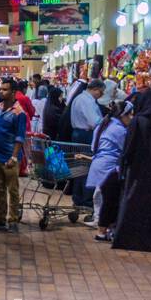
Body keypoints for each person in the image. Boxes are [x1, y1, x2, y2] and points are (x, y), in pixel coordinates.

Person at [111, 89, 151, 252]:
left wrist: (124, 166)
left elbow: (129, 146)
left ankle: (130, 240)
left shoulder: (138, 121)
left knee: (134, 202)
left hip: (139, 169)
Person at [87, 101, 132, 241]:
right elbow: (127, 149)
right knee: (110, 202)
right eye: (129, 114)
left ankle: (104, 229)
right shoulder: (119, 130)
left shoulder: (104, 124)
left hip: (98, 165)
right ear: (122, 115)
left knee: (104, 199)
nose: (131, 117)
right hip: (110, 168)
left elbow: (93, 147)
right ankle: (103, 231)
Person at [0, 79, 27, 232]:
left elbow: (20, 137)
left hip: (10, 157)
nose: (1, 91)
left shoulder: (19, 112)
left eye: (5, 89)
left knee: (13, 190)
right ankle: (0, 218)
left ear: (13, 92)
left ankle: (13, 220)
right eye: (1, 89)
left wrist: (13, 157)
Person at [68, 79, 106, 215]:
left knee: (79, 168)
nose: (101, 95)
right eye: (101, 92)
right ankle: (85, 200)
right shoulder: (87, 101)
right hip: (85, 135)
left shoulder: (80, 98)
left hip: (78, 134)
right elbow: (94, 121)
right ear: (95, 89)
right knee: (86, 168)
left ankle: (78, 198)